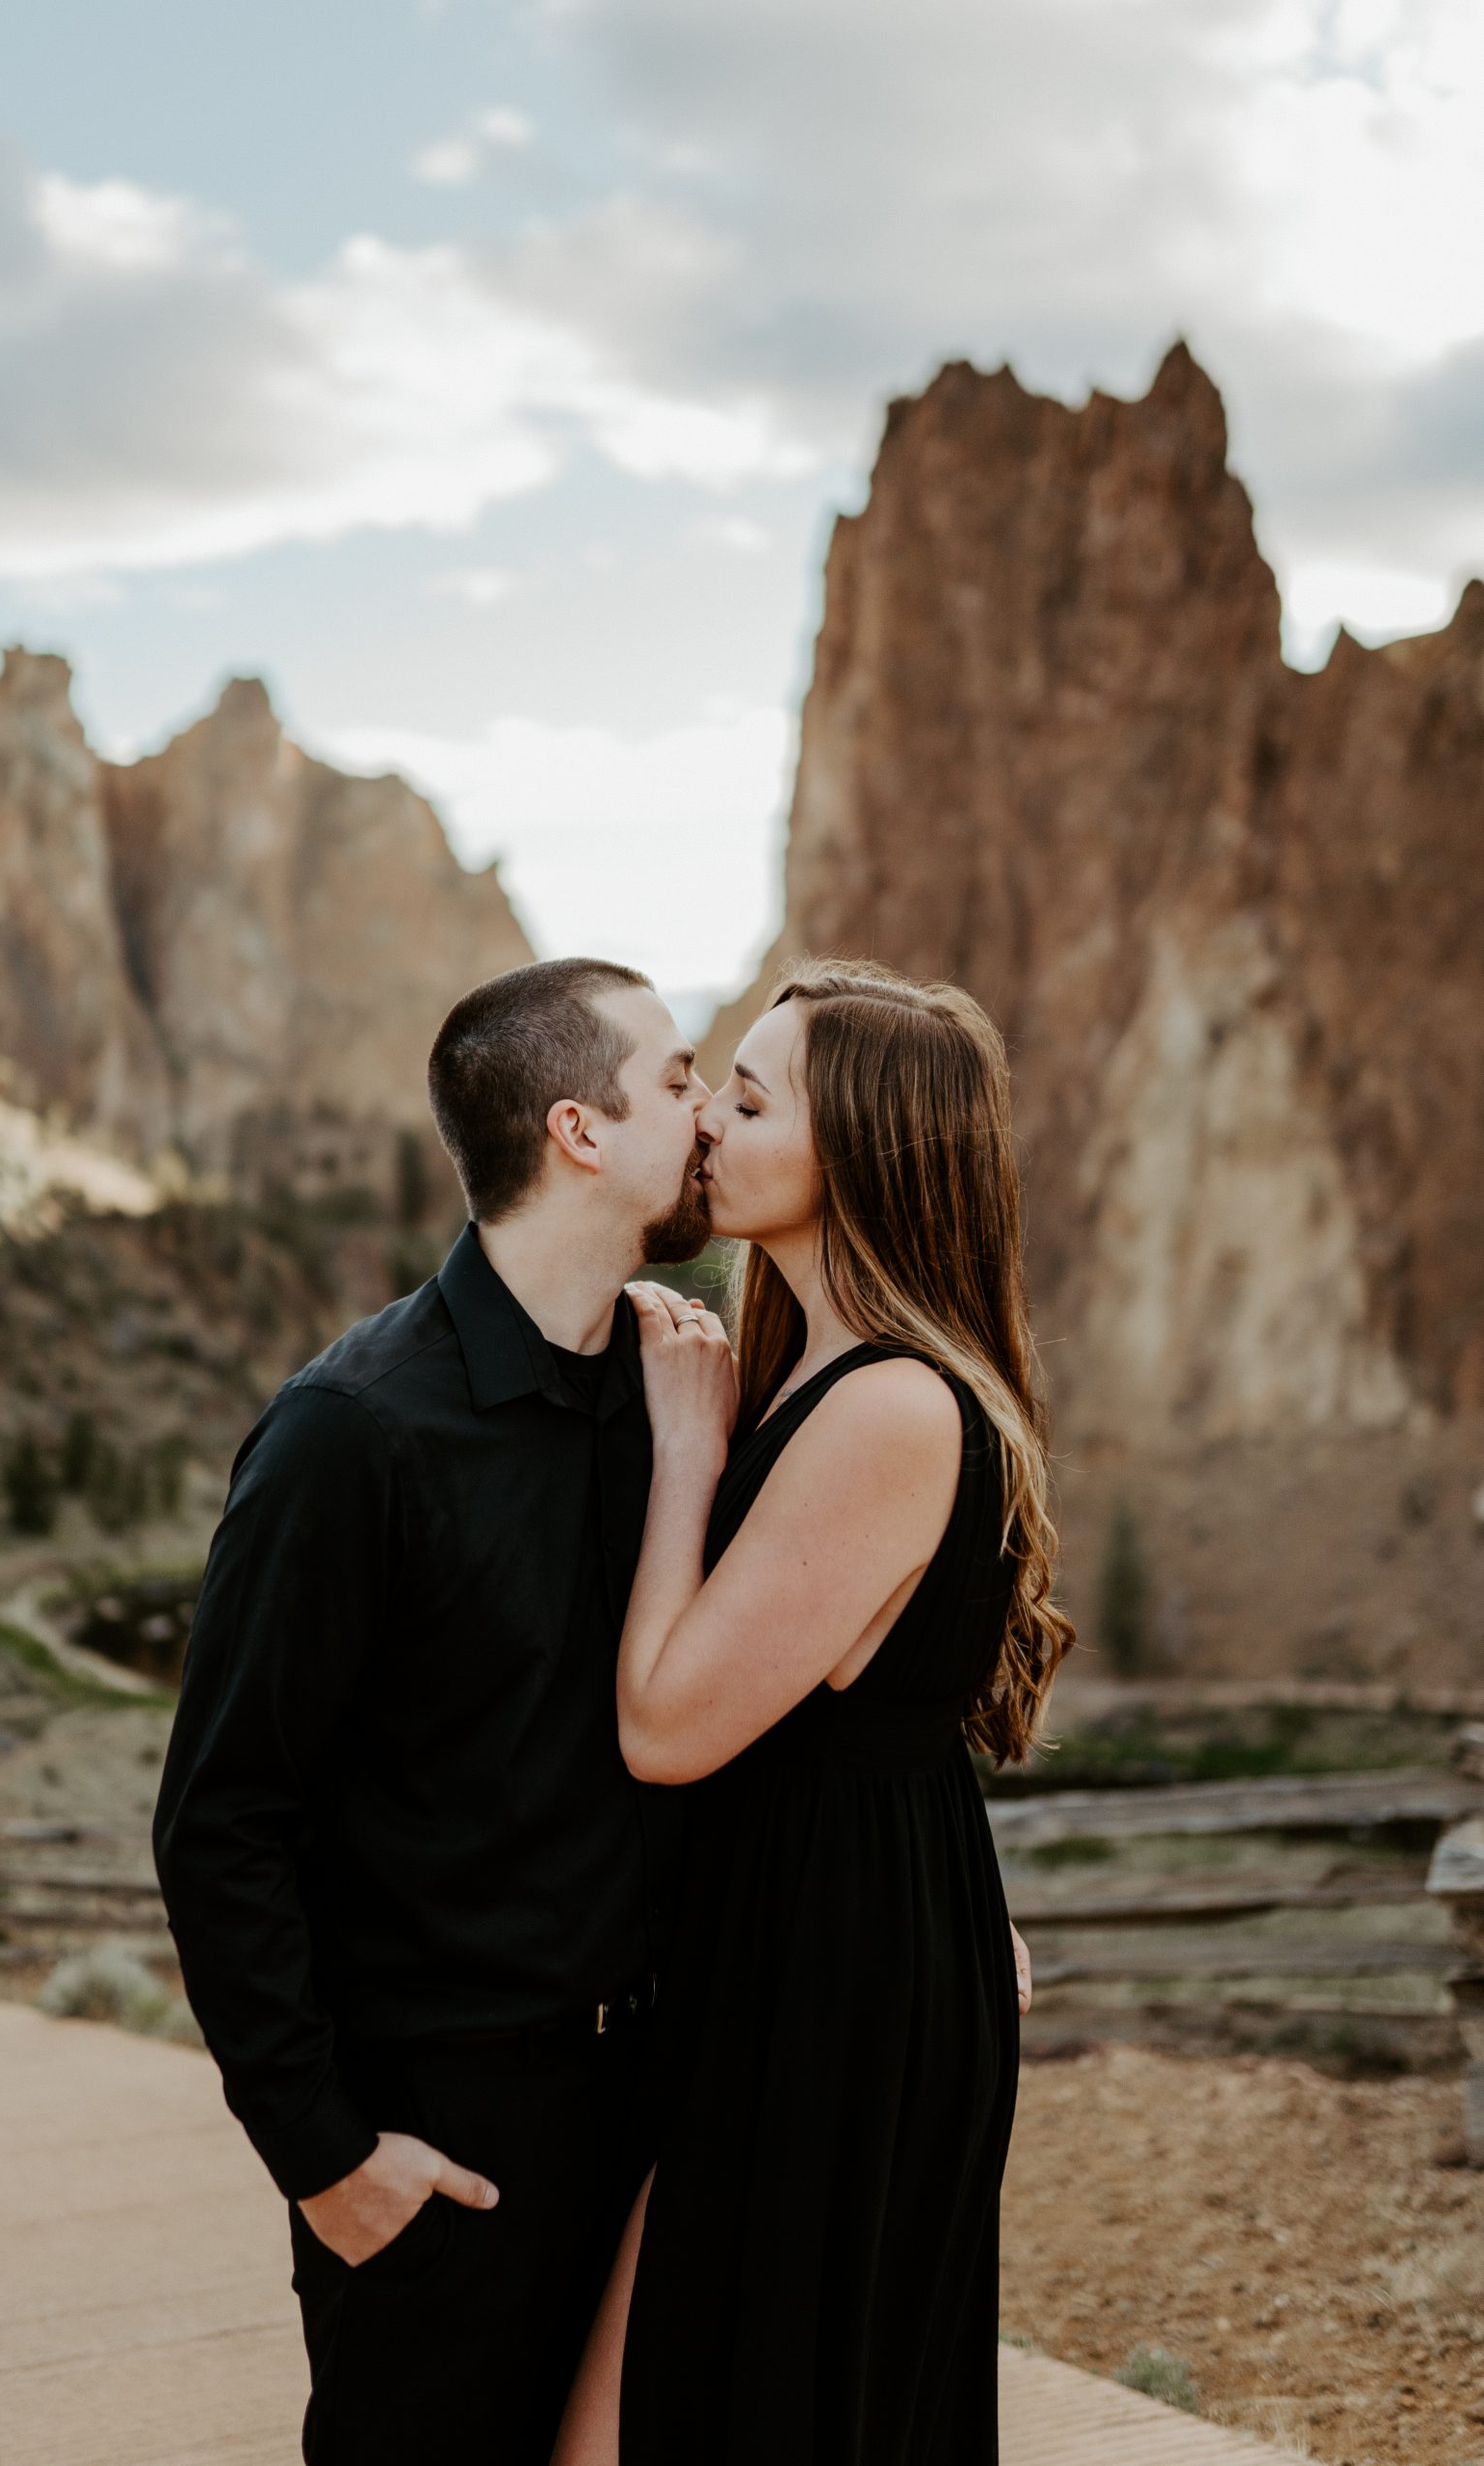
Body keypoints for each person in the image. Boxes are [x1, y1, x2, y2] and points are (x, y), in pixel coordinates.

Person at [152, 956, 713, 2466]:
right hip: (444, 2142)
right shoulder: (352, 1433)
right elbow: (221, 1820)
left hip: (660, 2117)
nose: (708, 1105)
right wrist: (325, 2157)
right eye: (675, 1077)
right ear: (579, 1131)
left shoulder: (677, 1400)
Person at [552, 959, 1067, 2466]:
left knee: (675, 2422)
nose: (707, 1114)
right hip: (807, 1944)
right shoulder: (816, 1370)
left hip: (834, 1983)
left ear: (865, 1155)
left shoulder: (893, 1409)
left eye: (753, 1098)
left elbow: (666, 1726)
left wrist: (686, 1455)